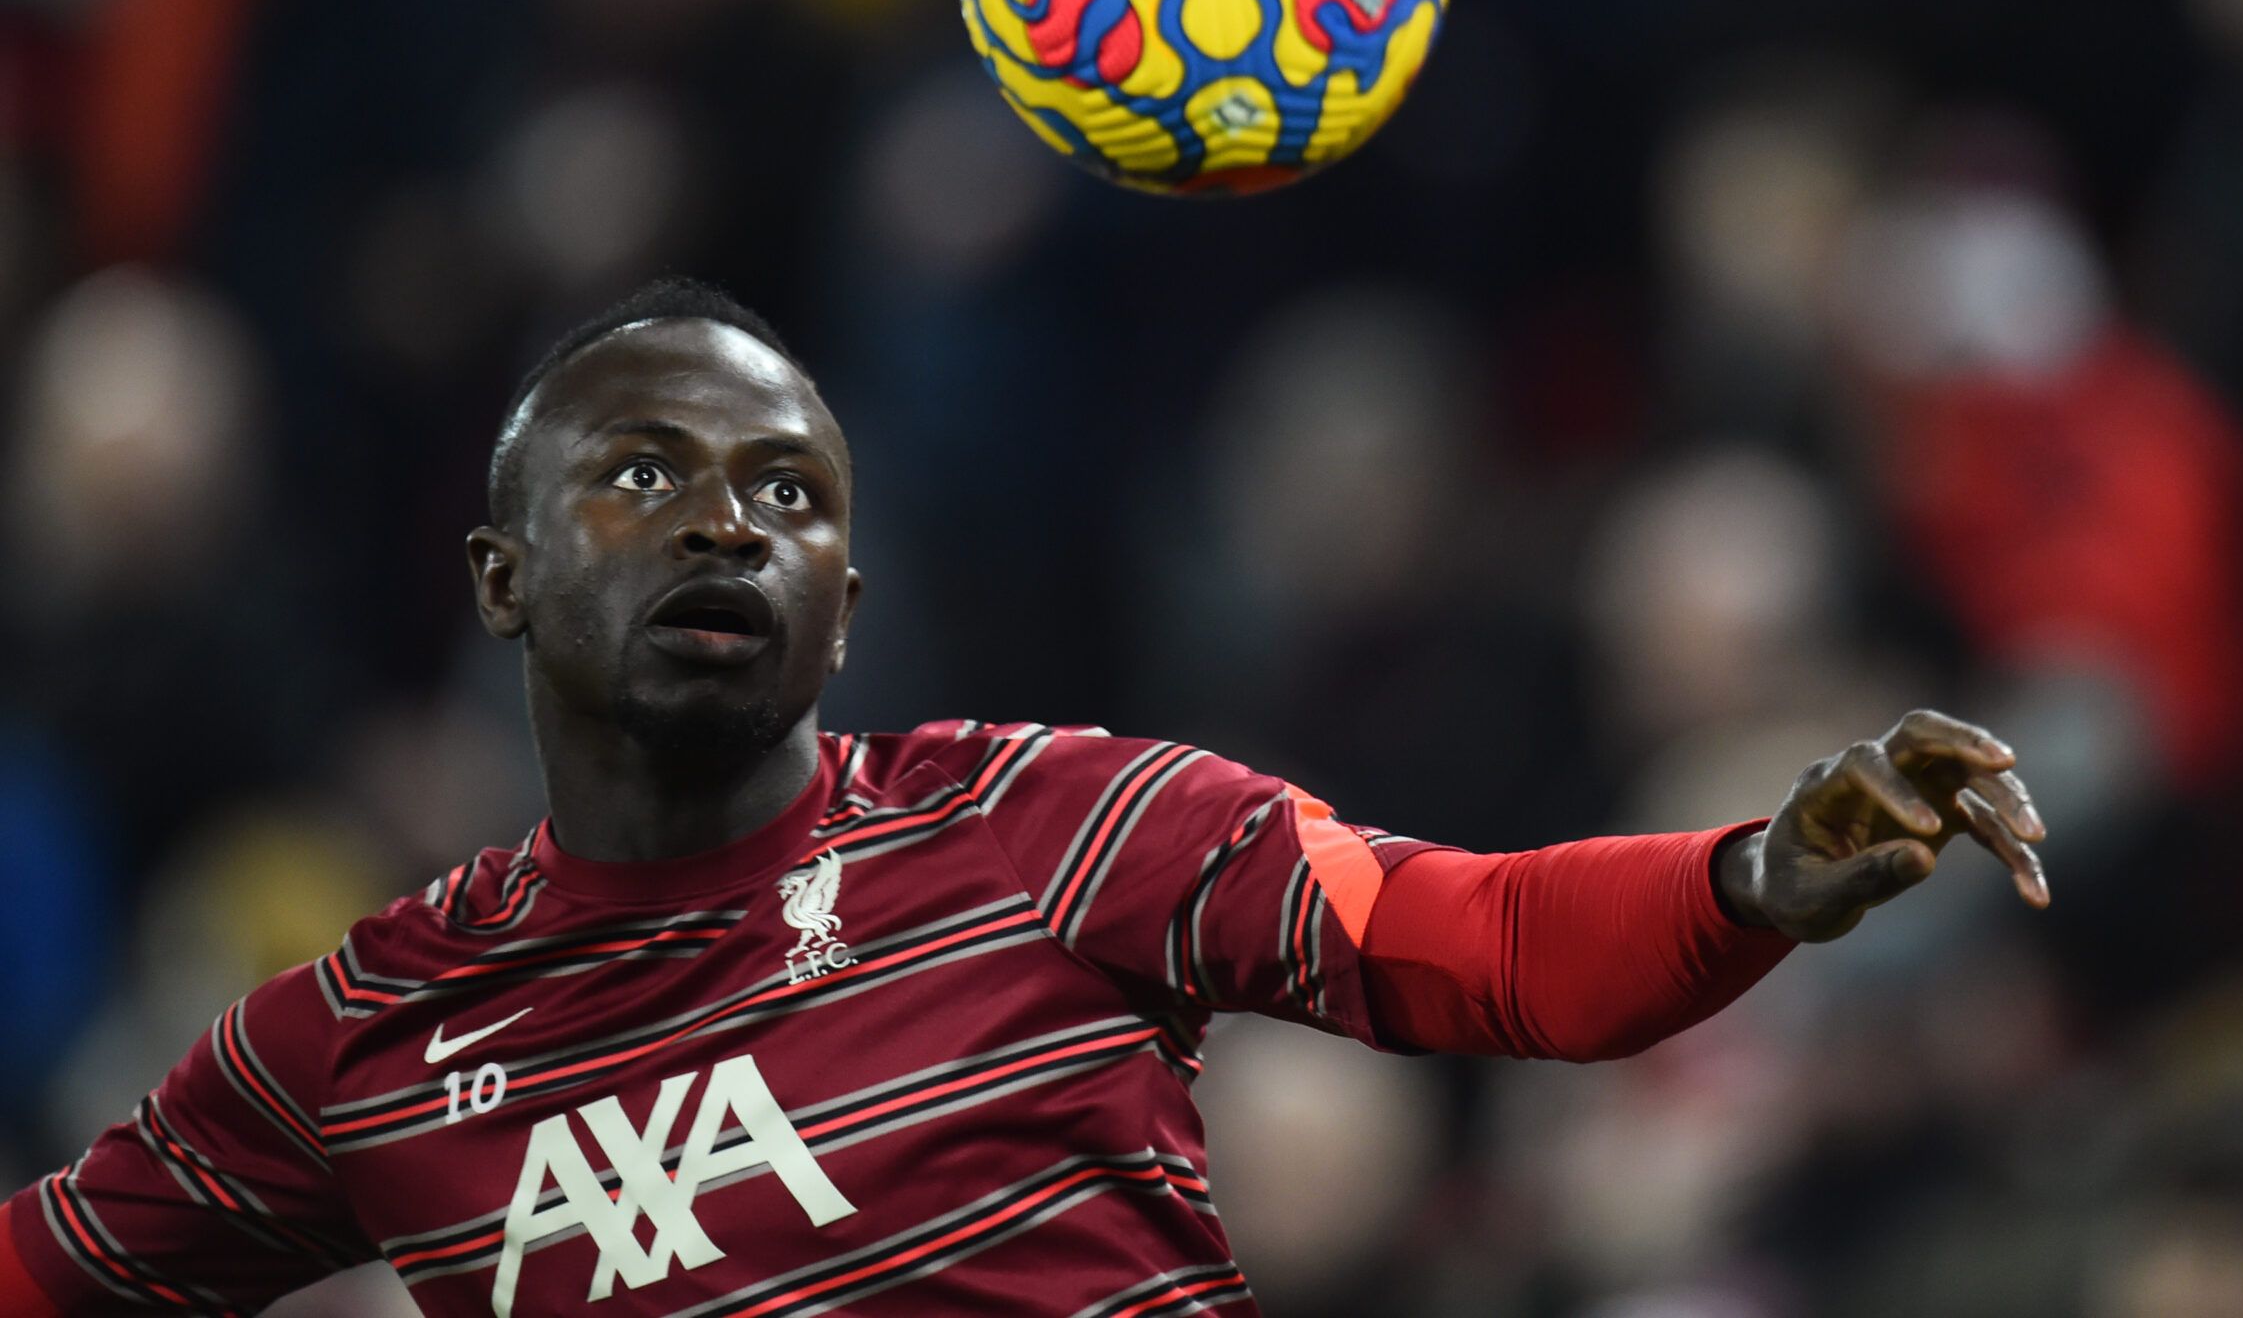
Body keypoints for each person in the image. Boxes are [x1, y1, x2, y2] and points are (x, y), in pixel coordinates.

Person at [0, 277, 2049, 1317]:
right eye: (643, 478)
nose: (726, 523)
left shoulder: (1062, 830)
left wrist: (1760, 872)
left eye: (789, 494)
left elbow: (1492, 946)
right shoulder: (364, 1047)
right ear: (500, 578)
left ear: (844, 601)